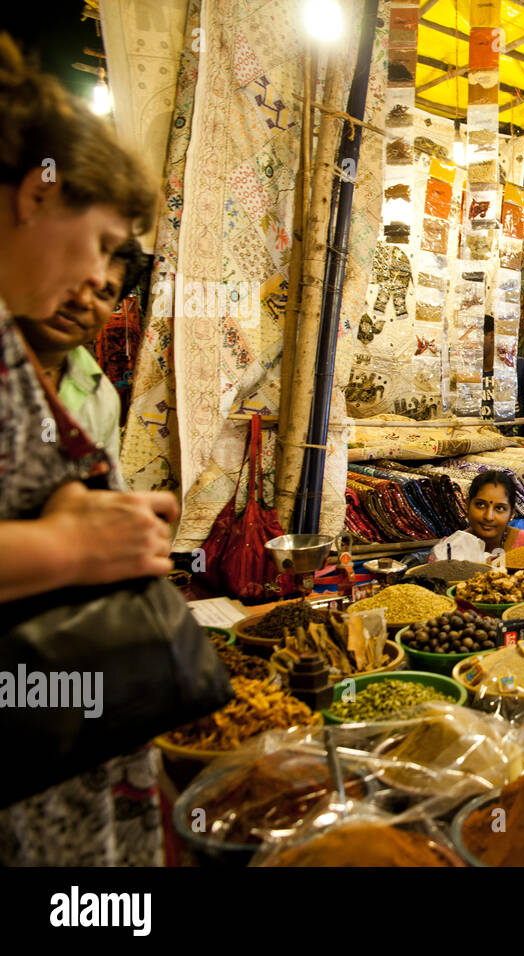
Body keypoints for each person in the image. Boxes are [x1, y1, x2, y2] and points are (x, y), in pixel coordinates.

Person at [0, 34, 174, 865]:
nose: (107, 281)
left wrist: (84, 515)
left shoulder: (46, 372)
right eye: (103, 243)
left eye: (119, 261)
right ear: (37, 197)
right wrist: (64, 544)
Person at [15, 237, 149, 471]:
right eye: (73, 278)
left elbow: (101, 492)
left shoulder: (100, 398)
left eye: (104, 292)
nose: (83, 299)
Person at [463, 470, 524, 553]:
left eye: (500, 508)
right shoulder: (452, 547)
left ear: (512, 514)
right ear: (467, 505)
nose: (489, 517)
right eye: (481, 505)